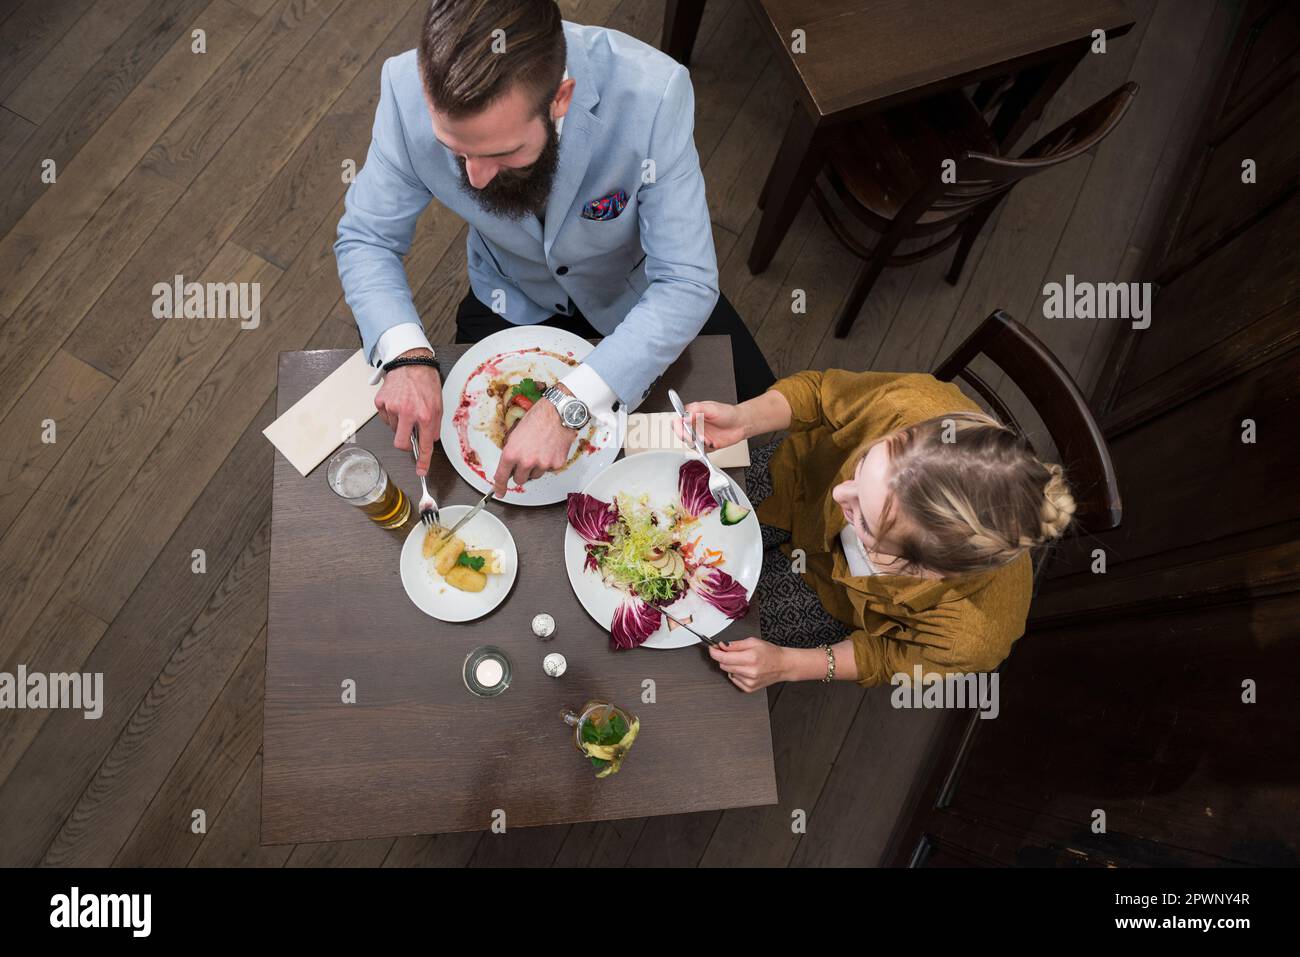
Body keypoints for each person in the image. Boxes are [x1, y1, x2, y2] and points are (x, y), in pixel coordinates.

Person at [334, 0, 774, 497]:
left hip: (636, 297)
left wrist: (571, 404)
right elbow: (367, 238)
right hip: (511, 291)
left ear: (561, 98)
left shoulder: (653, 94)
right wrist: (406, 356)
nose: (473, 179)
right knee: (480, 475)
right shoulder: (402, 89)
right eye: (456, 150)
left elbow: (687, 283)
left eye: (501, 152)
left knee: (751, 451)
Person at [674, 369, 1076, 693]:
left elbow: (885, 658)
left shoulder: (971, 635)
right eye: (864, 463)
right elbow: (818, 395)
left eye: (864, 519)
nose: (839, 492)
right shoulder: (912, 404)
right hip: (794, 481)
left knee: (703, 636)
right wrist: (744, 420)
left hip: (827, 596)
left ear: (926, 572)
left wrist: (786, 666)